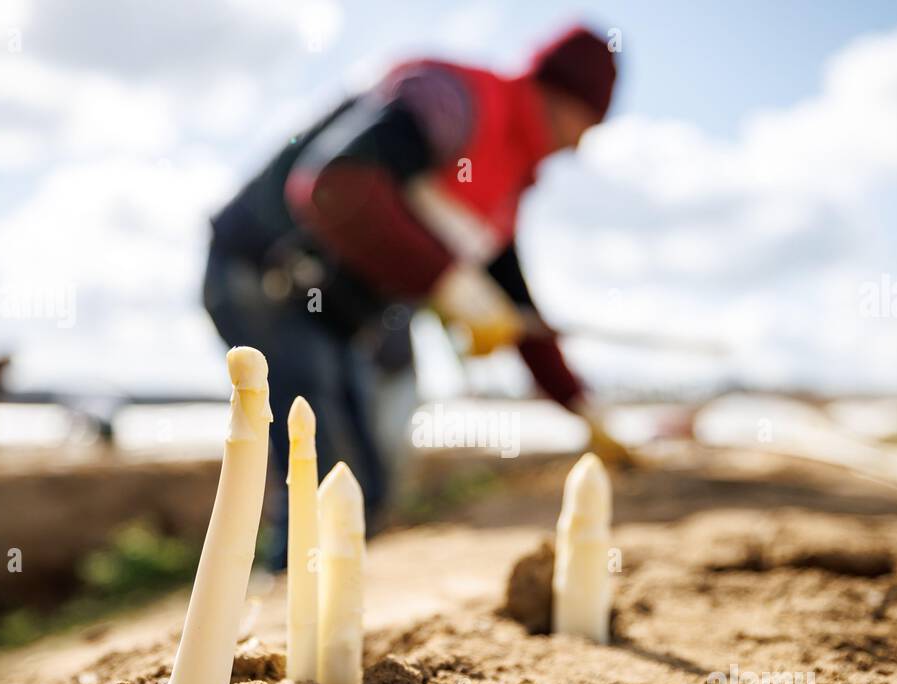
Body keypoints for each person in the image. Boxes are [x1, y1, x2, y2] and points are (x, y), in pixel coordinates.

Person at [203, 24, 628, 565]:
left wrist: (584, 410)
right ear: (557, 95)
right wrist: (449, 283)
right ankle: (271, 617)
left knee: (368, 484)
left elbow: (518, 316)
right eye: (584, 123)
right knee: (325, 470)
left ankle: (327, 613)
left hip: (331, 316)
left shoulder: (500, 187)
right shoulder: (452, 102)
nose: (576, 144)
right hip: (260, 277)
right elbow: (336, 185)